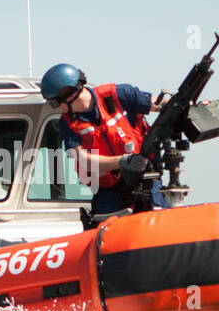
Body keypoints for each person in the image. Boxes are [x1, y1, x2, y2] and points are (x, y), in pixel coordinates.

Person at [40, 63, 170, 215]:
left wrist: (194, 107)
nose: (56, 108)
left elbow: (161, 105)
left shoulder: (117, 95)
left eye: (55, 102)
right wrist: (122, 161)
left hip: (146, 182)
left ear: (69, 94)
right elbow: (83, 160)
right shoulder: (67, 123)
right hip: (111, 193)